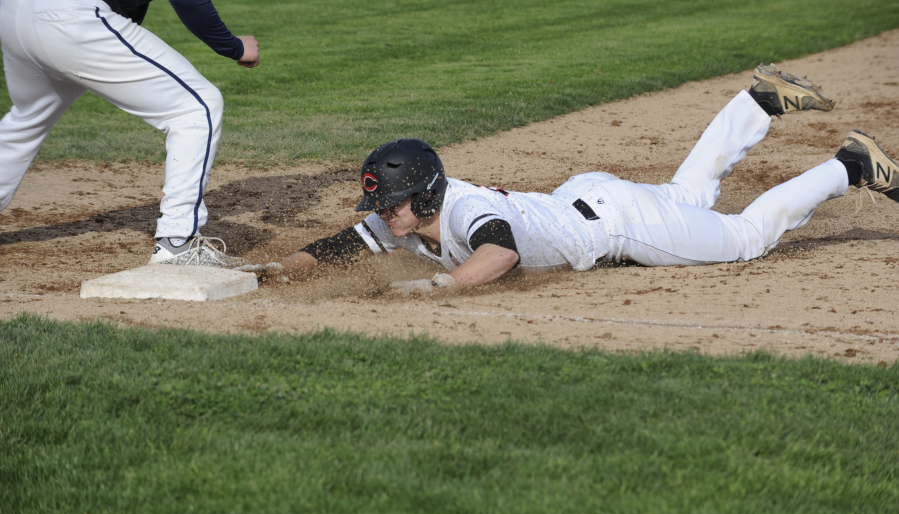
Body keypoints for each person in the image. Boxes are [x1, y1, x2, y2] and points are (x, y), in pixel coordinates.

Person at [275, 64, 899, 293]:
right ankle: (757, 103)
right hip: (587, 196)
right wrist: (274, 272)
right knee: (687, 197)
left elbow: (500, 253)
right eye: (383, 203)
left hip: (619, 223)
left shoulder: (461, 213)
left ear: (428, 195)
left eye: (394, 203)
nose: (385, 213)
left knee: (743, 239)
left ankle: (849, 165)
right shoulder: (407, 218)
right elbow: (336, 246)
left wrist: (438, 290)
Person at [0, 0, 258, 267]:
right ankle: (178, 243)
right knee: (197, 107)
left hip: (13, 14)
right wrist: (234, 46)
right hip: (69, 18)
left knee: (26, 120)